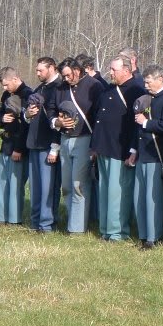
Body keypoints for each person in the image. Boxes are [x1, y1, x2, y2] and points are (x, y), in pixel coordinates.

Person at [91, 55, 145, 241]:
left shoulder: (136, 90)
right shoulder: (109, 89)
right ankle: (105, 229)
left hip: (120, 150)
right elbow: (99, 118)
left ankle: (118, 232)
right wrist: (95, 146)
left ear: (127, 71)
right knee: (105, 190)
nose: (110, 72)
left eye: (114, 70)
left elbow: (137, 125)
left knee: (118, 193)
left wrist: (133, 150)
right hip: (104, 147)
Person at [56, 55, 103, 234]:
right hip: (65, 139)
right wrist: (57, 122)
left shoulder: (94, 86)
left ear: (77, 70)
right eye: (64, 76)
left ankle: (76, 228)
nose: (66, 79)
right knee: (67, 186)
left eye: (69, 75)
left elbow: (99, 116)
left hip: (85, 139)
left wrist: (95, 146)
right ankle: (71, 220)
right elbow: (53, 108)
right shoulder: (61, 87)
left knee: (79, 185)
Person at [133, 65, 163, 248]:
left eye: (148, 81)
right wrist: (134, 151)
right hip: (143, 153)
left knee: (153, 198)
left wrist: (146, 123)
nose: (146, 85)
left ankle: (153, 236)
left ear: (160, 79)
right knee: (139, 197)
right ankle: (143, 234)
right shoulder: (147, 97)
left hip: (157, 155)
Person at [25, 57, 63, 232]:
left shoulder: (60, 88)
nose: (37, 73)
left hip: (49, 144)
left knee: (48, 188)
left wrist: (55, 148)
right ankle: (35, 222)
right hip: (34, 142)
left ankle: (46, 224)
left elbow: (60, 120)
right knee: (36, 187)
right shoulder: (39, 88)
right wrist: (28, 114)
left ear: (52, 68)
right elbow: (28, 115)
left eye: (41, 70)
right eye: (37, 70)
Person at [0, 67, 31, 226]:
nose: (5, 88)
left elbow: (26, 125)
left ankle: (14, 219)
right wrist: (3, 117)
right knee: (1, 181)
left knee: (15, 184)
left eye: (7, 84)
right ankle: (2, 218)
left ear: (15, 79)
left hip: (18, 145)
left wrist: (19, 149)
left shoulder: (28, 94)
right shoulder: (6, 94)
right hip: (6, 143)